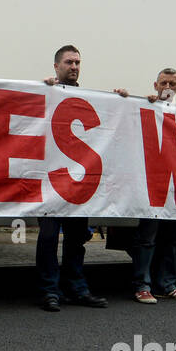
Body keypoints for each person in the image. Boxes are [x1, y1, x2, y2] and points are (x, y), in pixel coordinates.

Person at [36, 46, 106, 311]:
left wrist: (123, 99)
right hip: (51, 182)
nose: (74, 66)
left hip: (78, 183)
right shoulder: (46, 92)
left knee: (77, 238)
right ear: (56, 66)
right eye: (68, 62)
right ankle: (48, 290)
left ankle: (76, 288)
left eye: (77, 62)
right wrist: (42, 88)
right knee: (48, 237)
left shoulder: (89, 98)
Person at [129, 68, 176, 303]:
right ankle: (142, 285)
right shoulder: (146, 106)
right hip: (152, 185)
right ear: (155, 85)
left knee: (171, 239)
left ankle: (167, 284)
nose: (168, 87)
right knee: (147, 238)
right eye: (164, 83)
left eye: (172, 83)